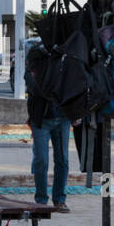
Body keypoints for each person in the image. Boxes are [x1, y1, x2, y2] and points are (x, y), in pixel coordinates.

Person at [26, 60, 71, 212]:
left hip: (62, 118)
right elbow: (35, 88)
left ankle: (59, 199)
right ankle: (41, 200)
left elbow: (72, 87)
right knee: (41, 160)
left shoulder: (65, 61)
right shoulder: (36, 59)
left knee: (63, 160)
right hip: (41, 119)